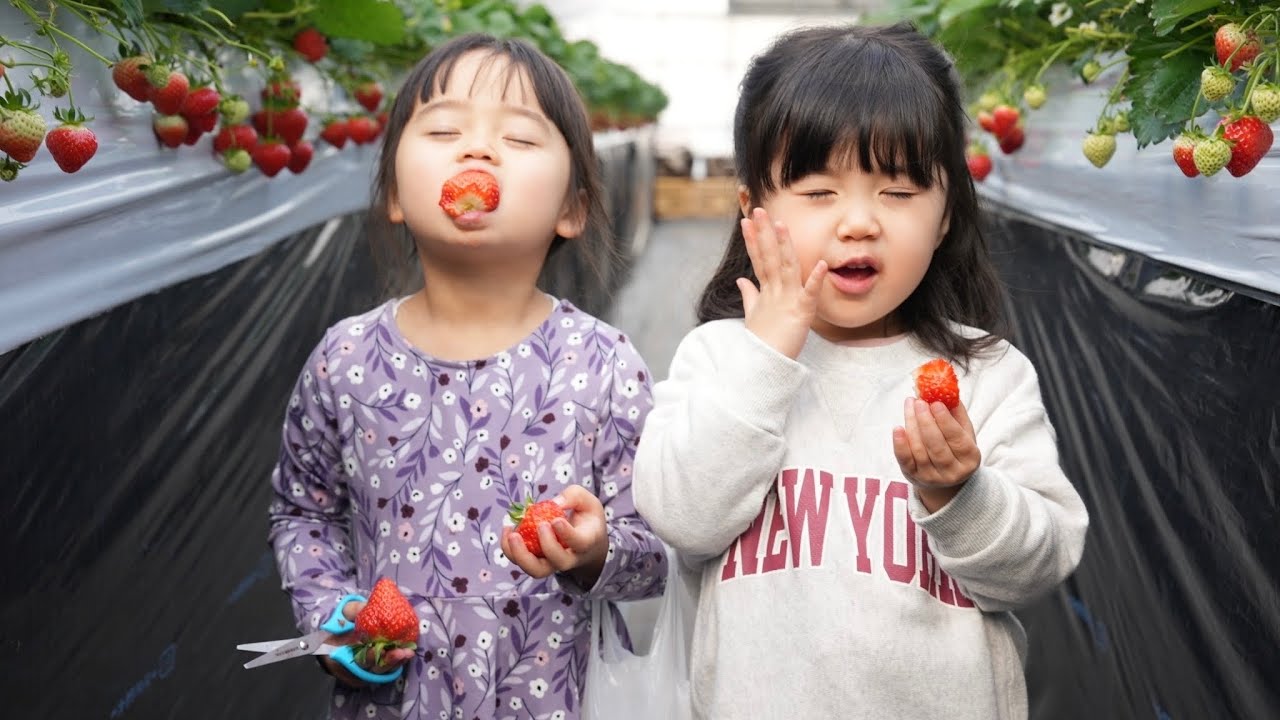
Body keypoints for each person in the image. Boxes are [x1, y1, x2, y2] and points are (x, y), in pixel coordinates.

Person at [632, 22, 1089, 720]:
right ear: (753, 209)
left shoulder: (984, 374)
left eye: (898, 193)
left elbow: (1038, 565)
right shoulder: (722, 358)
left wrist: (961, 493)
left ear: (944, 216)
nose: (858, 222)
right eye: (818, 192)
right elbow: (683, 519)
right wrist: (768, 356)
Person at [267, 33, 667, 720]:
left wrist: (596, 550)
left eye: (518, 138)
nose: (476, 151)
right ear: (394, 192)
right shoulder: (347, 359)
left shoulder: (602, 364)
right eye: (445, 129)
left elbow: (656, 548)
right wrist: (336, 614)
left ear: (572, 208)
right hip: (390, 701)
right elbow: (303, 510)